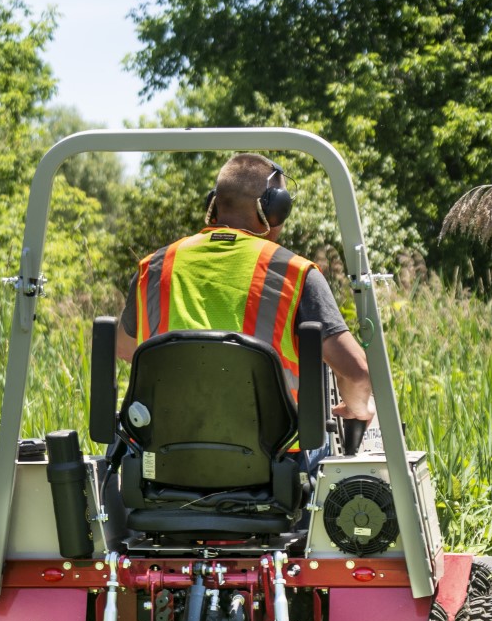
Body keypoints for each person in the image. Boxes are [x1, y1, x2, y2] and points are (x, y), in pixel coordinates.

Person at [116, 153, 375, 427]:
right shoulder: (296, 274)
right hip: (276, 458)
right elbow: (358, 374)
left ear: (214, 205)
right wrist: (358, 408)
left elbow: (124, 348)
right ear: (273, 210)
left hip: (164, 455)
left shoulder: (154, 267)